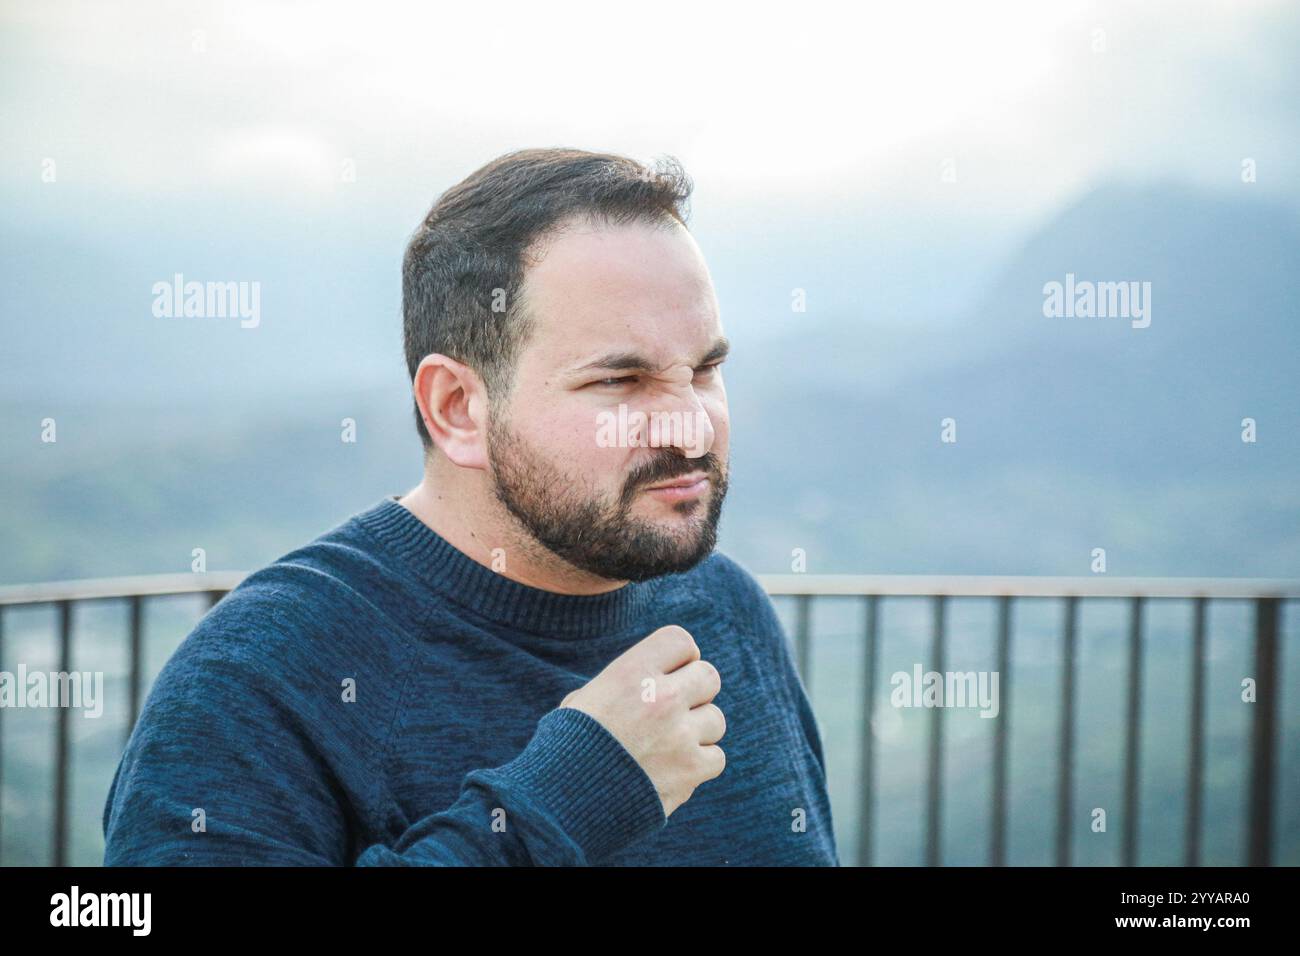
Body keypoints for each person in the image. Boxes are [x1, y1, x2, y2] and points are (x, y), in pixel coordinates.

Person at [102, 147, 839, 866]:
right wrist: (559, 807)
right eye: (620, 380)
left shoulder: (728, 611)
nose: (691, 424)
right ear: (457, 408)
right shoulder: (258, 681)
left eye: (705, 369)